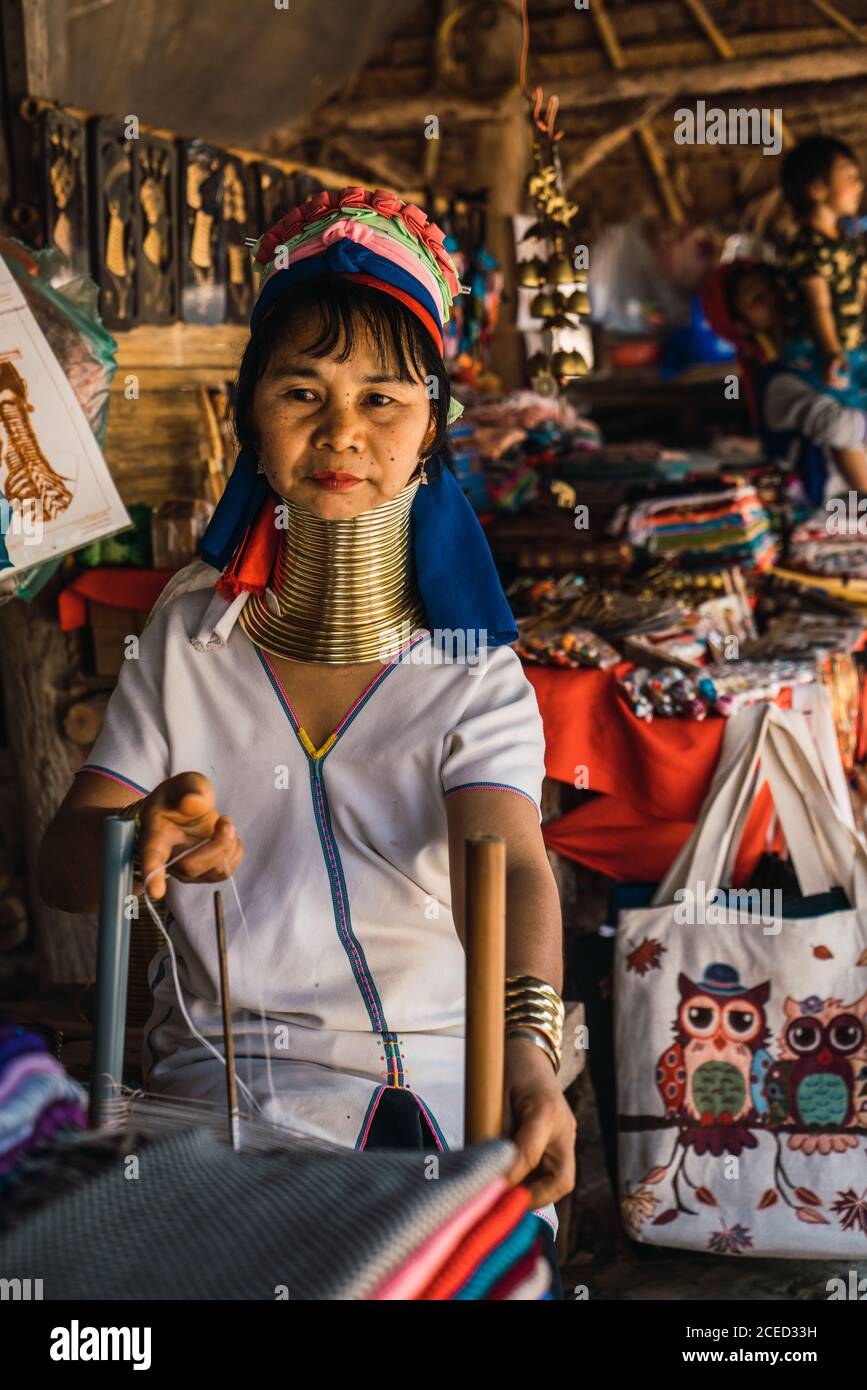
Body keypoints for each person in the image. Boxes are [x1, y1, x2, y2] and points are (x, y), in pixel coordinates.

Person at [37, 187, 574, 1282]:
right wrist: (139, 834)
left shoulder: (469, 662)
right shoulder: (191, 627)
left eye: (384, 397)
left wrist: (527, 1054)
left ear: (433, 428)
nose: (343, 433)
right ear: (251, 415)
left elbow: (510, 862)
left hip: (439, 1096)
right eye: (302, 392)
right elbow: (62, 859)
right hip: (206, 1103)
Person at [702, 258, 867, 502]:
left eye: (776, 287)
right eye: (757, 299)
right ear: (742, 325)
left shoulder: (843, 350)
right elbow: (839, 428)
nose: (773, 298)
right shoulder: (776, 381)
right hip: (838, 505)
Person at [779, 137, 867, 487]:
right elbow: (819, 306)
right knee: (846, 426)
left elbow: (862, 293)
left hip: (852, 351)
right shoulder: (808, 247)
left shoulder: (847, 243)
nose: (859, 183)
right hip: (817, 353)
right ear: (817, 189)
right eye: (848, 174)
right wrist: (830, 352)